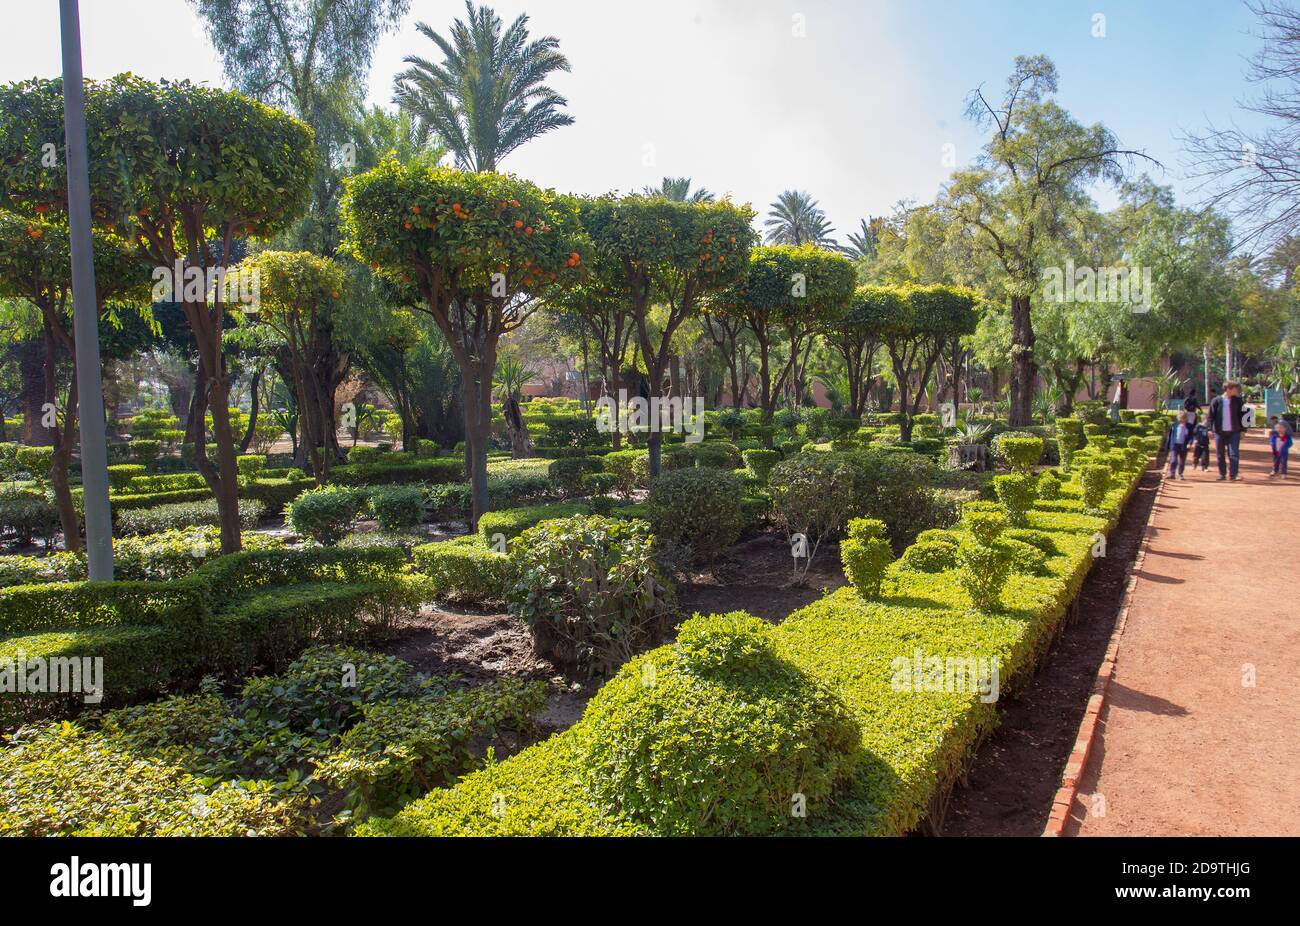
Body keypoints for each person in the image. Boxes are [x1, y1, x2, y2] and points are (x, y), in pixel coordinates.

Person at [1208, 381, 1247, 481]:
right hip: (1219, 432)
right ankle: (1222, 474)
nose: (1237, 390)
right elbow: (1210, 417)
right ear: (1229, 389)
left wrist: (1243, 430)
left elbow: (1244, 415)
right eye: (1235, 388)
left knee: (1234, 453)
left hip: (1234, 432)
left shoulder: (1238, 401)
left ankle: (1233, 474)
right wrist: (1209, 429)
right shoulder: (1216, 401)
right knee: (1220, 454)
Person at [1166, 410, 1192, 479]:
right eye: (1181, 418)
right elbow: (1170, 435)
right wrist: (1168, 445)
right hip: (1175, 445)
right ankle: (1172, 473)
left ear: (1186, 418)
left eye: (1183, 418)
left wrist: (1189, 443)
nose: (1182, 419)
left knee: (1182, 461)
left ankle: (1180, 474)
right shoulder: (1174, 425)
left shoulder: (1189, 426)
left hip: (1183, 445)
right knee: (1173, 460)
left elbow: (1191, 436)